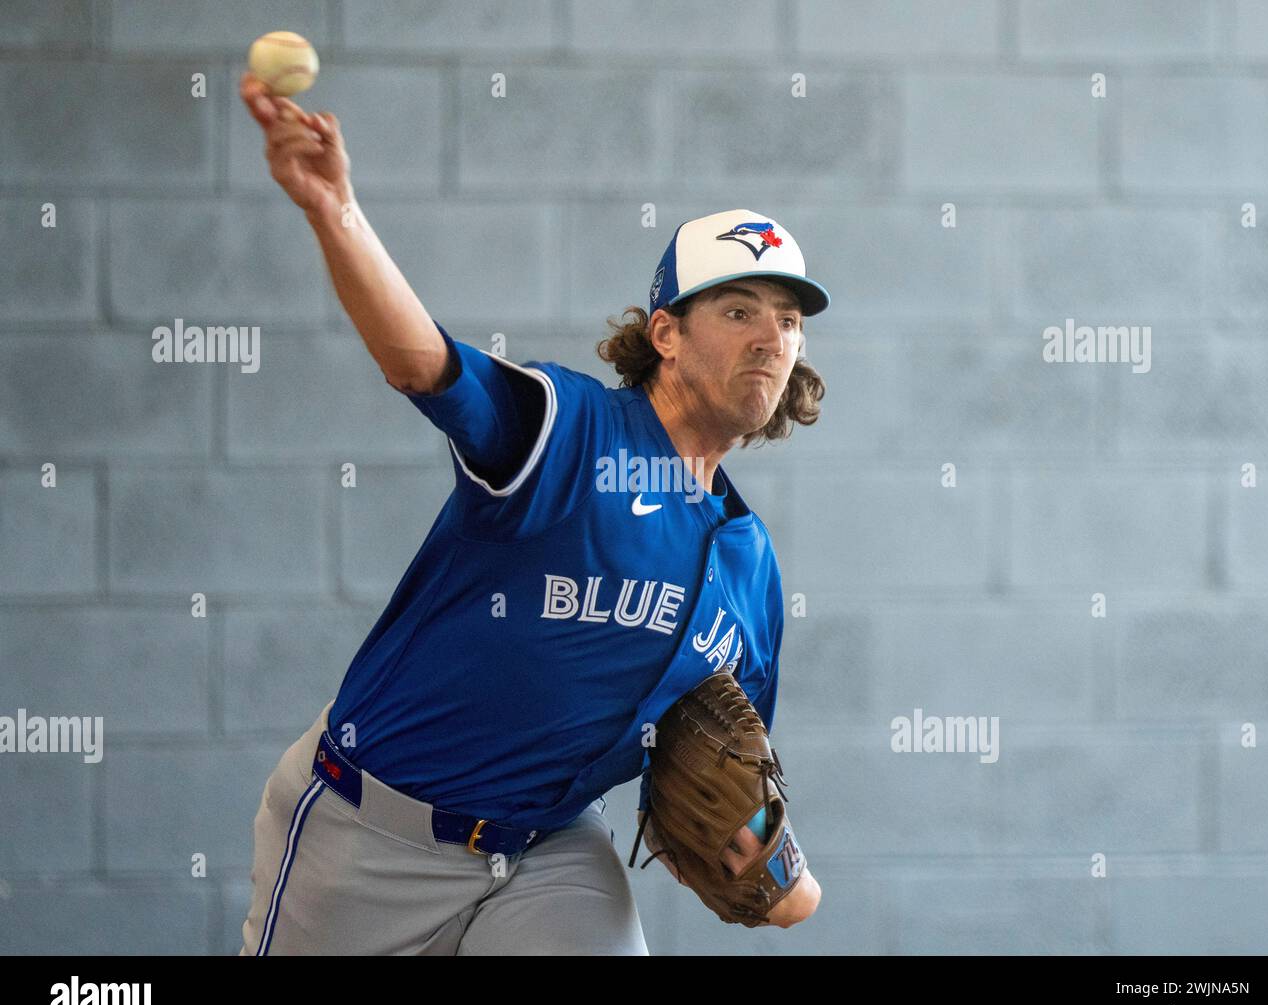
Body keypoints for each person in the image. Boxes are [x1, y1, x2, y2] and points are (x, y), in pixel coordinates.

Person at [236, 72, 826, 955]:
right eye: (738, 310)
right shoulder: (571, 433)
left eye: (787, 321)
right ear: (664, 334)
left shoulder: (751, 571)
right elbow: (424, 366)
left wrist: (776, 869)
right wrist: (334, 211)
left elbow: (726, 783)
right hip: (370, 835)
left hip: (549, 853)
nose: (770, 338)